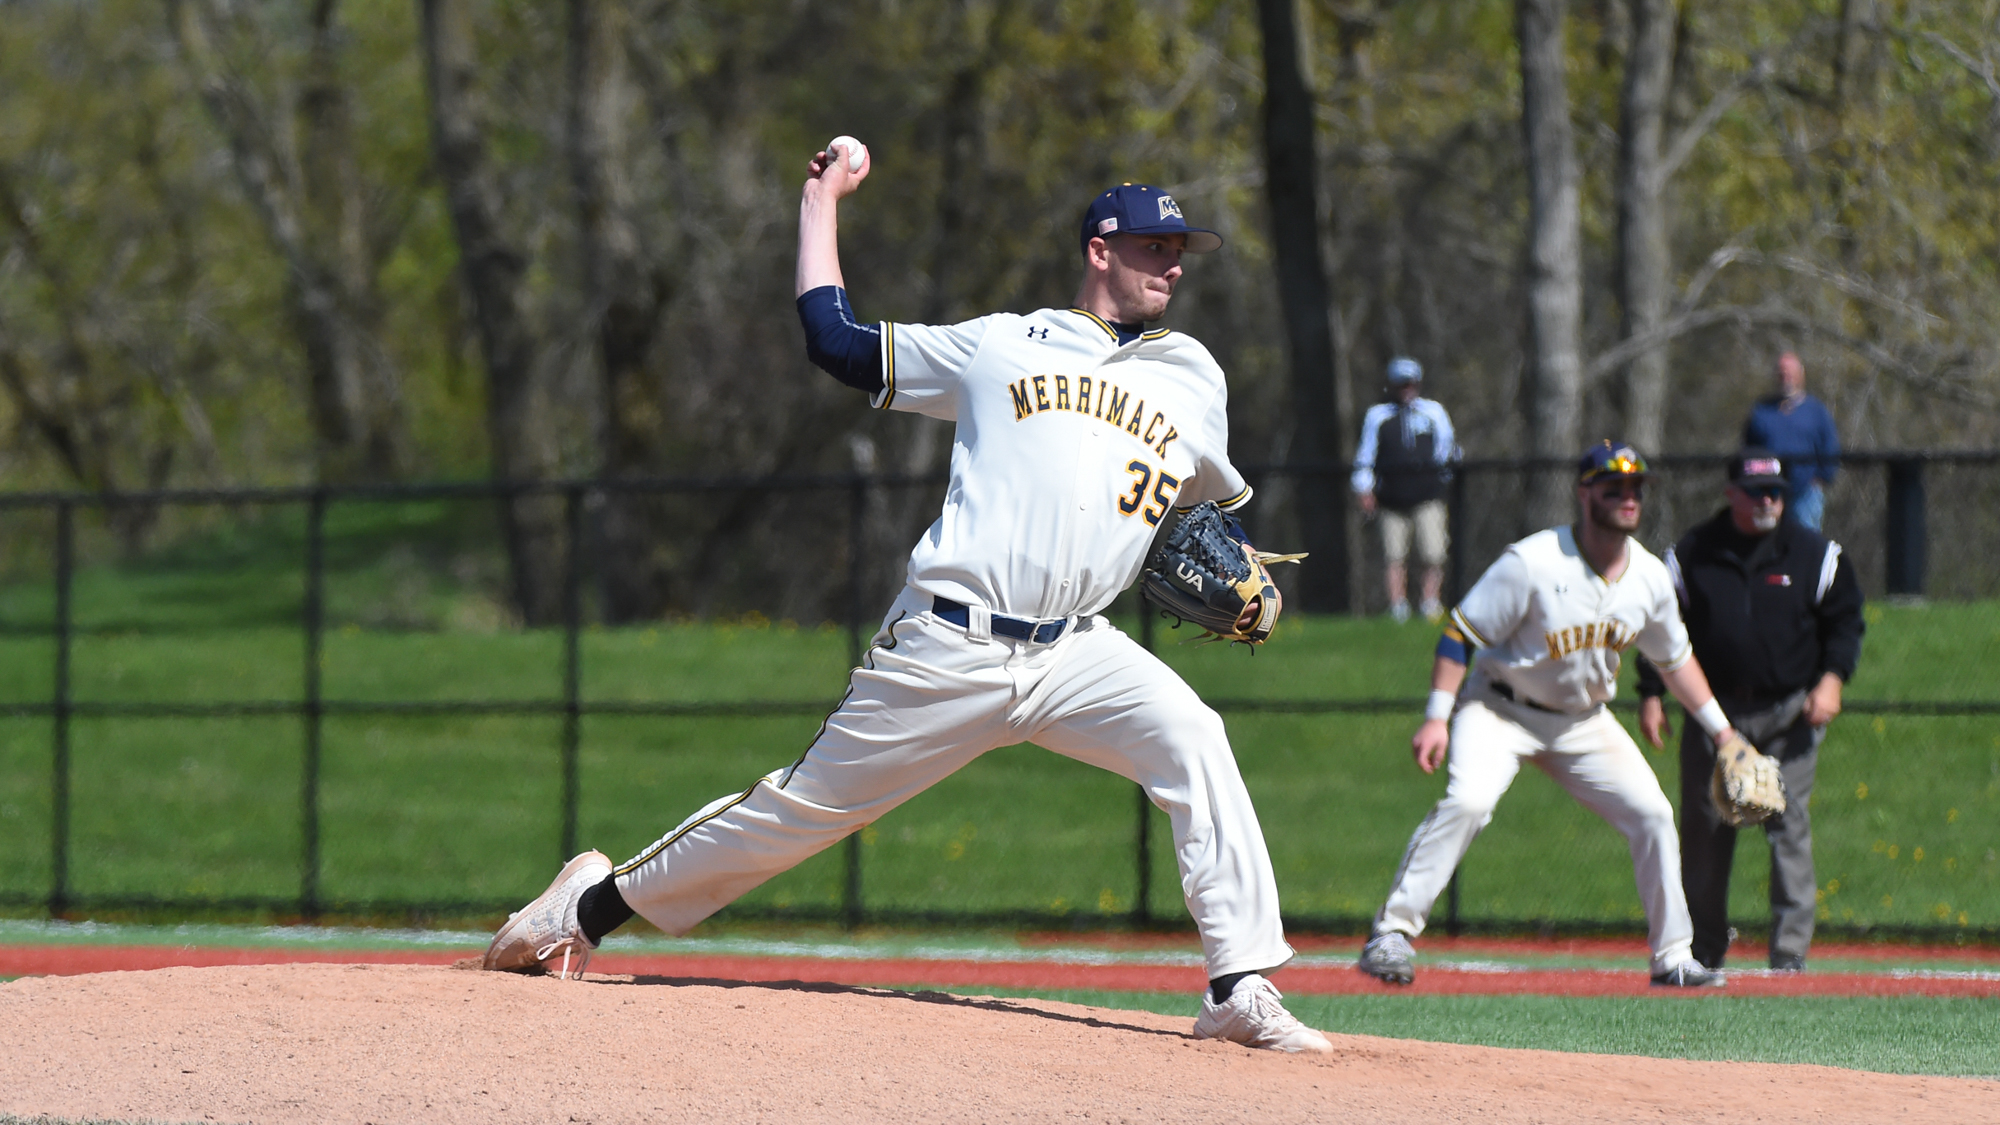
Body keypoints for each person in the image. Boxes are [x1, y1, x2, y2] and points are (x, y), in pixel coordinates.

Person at [479, 151, 1332, 1054]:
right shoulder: (1005, 343)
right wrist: (819, 203)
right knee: (799, 812)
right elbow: (835, 340)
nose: (1176, 261)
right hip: (949, 642)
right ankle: (586, 904)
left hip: (1076, 652)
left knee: (1194, 736)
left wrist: (1234, 567)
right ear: (1099, 250)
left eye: (1181, 246)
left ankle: (1238, 984)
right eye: (1157, 244)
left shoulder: (1196, 375)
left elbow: (1202, 515)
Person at [1356, 441, 1742, 989]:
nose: (1628, 497)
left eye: (1636, 488)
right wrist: (1438, 715)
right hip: (1499, 710)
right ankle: (1391, 933)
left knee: (1653, 814)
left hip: (1583, 722)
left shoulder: (1650, 578)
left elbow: (1676, 662)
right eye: (1614, 485)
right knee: (1469, 800)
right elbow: (1460, 634)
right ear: (1585, 492)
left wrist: (1724, 734)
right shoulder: (1533, 562)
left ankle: (1673, 957)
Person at [1633, 448, 1864, 972]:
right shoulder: (1694, 553)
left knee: (1789, 829)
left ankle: (1788, 957)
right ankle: (1702, 950)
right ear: (1730, 492)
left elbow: (1846, 622)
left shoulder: (1816, 554)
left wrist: (1831, 681)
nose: (1768, 500)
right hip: (1713, 714)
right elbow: (1659, 627)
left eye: (1777, 492)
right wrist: (1650, 692)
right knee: (1705, 832)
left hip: (1789, 714)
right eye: (1757, 491)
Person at [1351, 358, 1457, 622]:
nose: (1406, 389)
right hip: (1391, 499)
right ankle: (1398, 606)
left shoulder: (1433, 413)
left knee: (1432, 551)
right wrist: (1365, 489)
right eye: (1401, 383)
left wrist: (1444, 479)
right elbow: (1365, 454)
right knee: (1393, 554)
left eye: (1410, 383)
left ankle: (1429, 602)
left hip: (1427, 496)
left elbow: (1448, 448)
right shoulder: (1378, 416)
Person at [1742, 352, 1840, 530]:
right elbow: (1748, 448)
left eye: (1789, 372)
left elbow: (1829, 447)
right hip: (1767, 493)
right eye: (1781, 373)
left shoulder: (1816, 411)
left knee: (1805, 546)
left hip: (1805, 493)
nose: (1785, 377)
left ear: (1800, 375)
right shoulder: (1761, 411)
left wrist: (1821, 478)